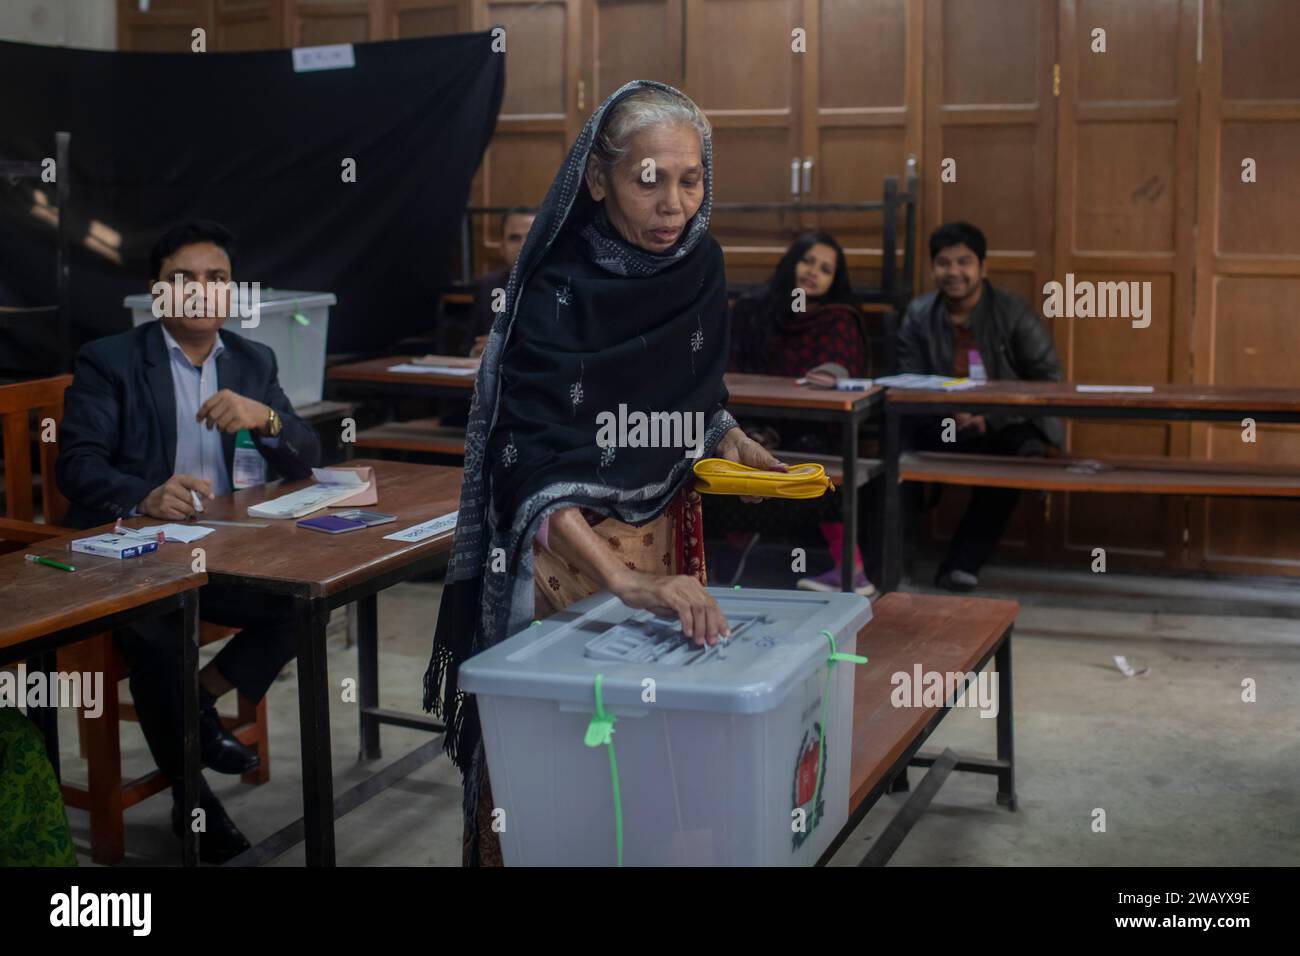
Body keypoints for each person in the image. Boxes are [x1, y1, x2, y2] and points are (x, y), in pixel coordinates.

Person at [423, 80, 787, 867]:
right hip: (564, 552)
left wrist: (726, 434)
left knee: (651, 747)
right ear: (598, 180)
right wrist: (622, 582)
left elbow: (690, 392)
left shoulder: (700, 265)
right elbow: (530, 460)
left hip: (663, 535)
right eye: (648, 179)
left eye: (691, 181)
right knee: (561, 754)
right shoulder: (558, 287)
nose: (674, 205)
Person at [56, 219, 321, 863]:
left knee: (306, 601)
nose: (201, 292)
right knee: (159, 629)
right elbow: (77, 464)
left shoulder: (252, 361)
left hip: (226, 550)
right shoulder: (110, 359)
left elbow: (305, 459)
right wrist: (143, 494)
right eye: (184, 279)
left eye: (217, 279)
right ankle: (192, 796)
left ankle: (199, 705)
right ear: (158, 293)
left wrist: (269, 418)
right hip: (137, 552)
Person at [898, 221, 1063, 592]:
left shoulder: (1013, 314)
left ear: (982, 268)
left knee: (1013, 455)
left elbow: (1048, 382)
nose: (954, 272)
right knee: (896, 450)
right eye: (943, 263)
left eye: (964, 262)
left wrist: (990, 417)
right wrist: (949, 413)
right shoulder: (919, 315)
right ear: (933, 268)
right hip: (943, 421)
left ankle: (961, 565)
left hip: (1002, 423)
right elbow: (908, 380)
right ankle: (887, 568)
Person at [729, 231, 874, 595]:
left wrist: (830, 375)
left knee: (817, 453)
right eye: (808, 261)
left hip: (811, 426)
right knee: (719, 440)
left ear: (833, 281)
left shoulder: (838, 318)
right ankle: (730, 553)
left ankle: (851, 570)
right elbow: (729, 364)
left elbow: (843, 365)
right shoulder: (755, 307)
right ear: (792, 262)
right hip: (753, 417)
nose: (813, 272)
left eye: (825, 269)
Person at [467, 207, 536, 358]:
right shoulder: (488, 286)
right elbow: (470, 344)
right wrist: (475, 351)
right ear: (502, 247)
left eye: (531, 236)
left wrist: (506, 347)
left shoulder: (562, 287)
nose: (523, 245)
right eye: (514, 238)